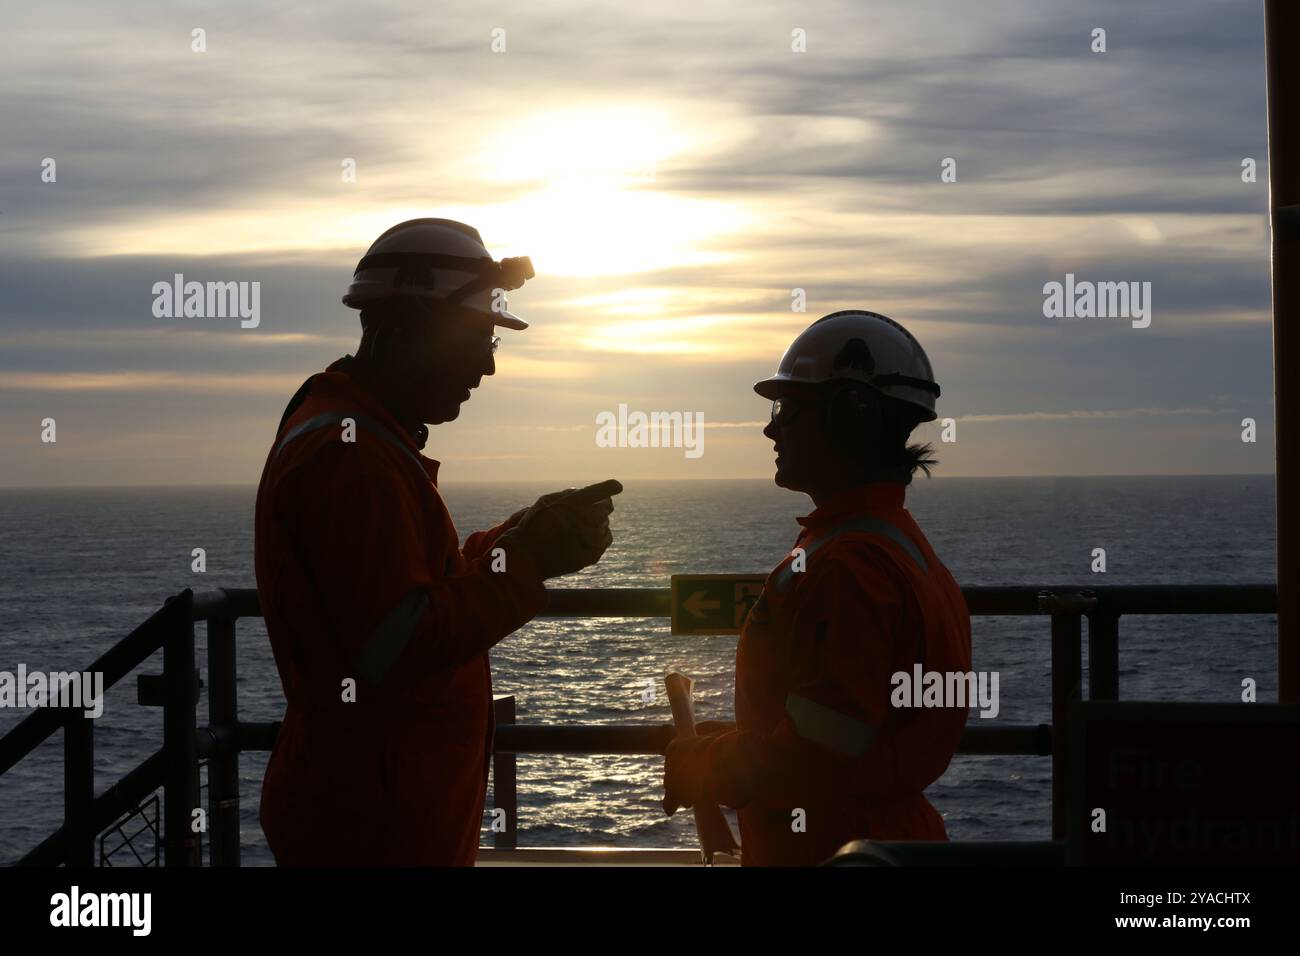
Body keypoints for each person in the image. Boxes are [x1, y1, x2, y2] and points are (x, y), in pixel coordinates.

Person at [254, 218, 619, 865]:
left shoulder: (354, 437)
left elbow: (413, 589)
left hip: (373, 812)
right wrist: (528, 561)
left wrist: (518, 537)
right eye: (474, 340)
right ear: (402, 331)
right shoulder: (353, 459)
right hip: (373, 830)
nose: (487, 366)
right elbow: (397, 644)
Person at [662, 309, 972, 866]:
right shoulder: (889, 546)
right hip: (877, 846)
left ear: (849, 417)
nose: (771, 428)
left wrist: (705, 765)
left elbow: (818, 755)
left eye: (790, 410)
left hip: (836, 853)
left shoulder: (848, 568)